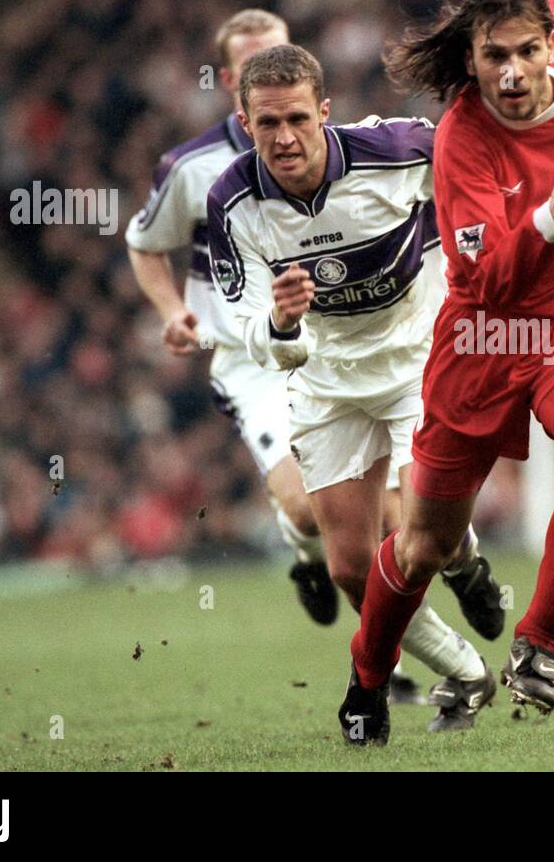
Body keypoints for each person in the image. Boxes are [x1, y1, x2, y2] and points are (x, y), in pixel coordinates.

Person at [340, 0, 554, 745]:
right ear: (470, 63)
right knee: (425, 542)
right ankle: (367, 676)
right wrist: (547, 224)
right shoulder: (462, 141)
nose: (511, 73)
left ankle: (539, 645)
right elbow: (480, 278)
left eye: (525, 51)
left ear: (552, 47)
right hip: (487, 338)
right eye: (492, 58)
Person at [207, 43, 504, 733]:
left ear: (326, 113)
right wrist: (282, 322)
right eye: (267, 124)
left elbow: (480, 161)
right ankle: (464, 671)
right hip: (328, 383)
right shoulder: (232, 203)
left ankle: (465, 567)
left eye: (298, 120)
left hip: (422, 366)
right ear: (244, 120)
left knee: (423, 536)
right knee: (349, 567)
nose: (284, 138)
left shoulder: (397, 150)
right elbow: (249, 328)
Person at [125, 10, 339, 626]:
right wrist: (172, 311)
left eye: (280, 56)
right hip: (252, 356)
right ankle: (305, 553)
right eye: (251, 66)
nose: (270, 73)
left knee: (385, 501)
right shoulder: (191, 167)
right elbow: (144, 242)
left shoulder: (338, 149)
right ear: (227, 79)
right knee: (304, 508)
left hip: (331, 342)